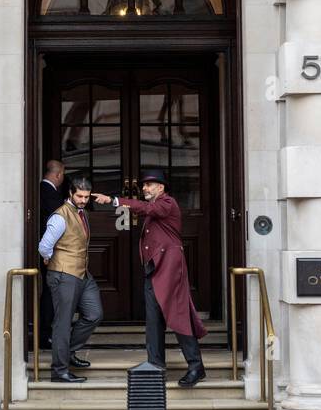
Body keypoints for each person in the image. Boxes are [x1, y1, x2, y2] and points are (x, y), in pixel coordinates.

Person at [93, 170, 207, 387]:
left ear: (161, 188)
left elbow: (145, 209)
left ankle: (196, 367)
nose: (144, 188)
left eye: (149, 185)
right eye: (144, 185)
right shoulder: (157, 207)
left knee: (178, 316)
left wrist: (114, 200)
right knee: (154, 321)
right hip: (153, 270)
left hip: (170, 270)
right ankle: (155, 366)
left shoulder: (167, 203)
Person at [38, 174, 103, 384]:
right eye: (80, 196)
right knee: (62, 324)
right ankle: (59, 371)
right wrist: (49, 259)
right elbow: (43, 246)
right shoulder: (60, 216)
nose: (84, 200)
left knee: (94, 314)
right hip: (64, 274)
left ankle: (69, 352)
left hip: (82, 273)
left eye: (86, 197)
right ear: (71, 193)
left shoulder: (81, 212)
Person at [38, 159, 66, 348]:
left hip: (51, 253)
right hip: (51, 253)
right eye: (62, 174)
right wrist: (47, 254)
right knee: (51, 294)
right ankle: (46, 334)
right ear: (57, 174)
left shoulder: (46, 191)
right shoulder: (48, 192)